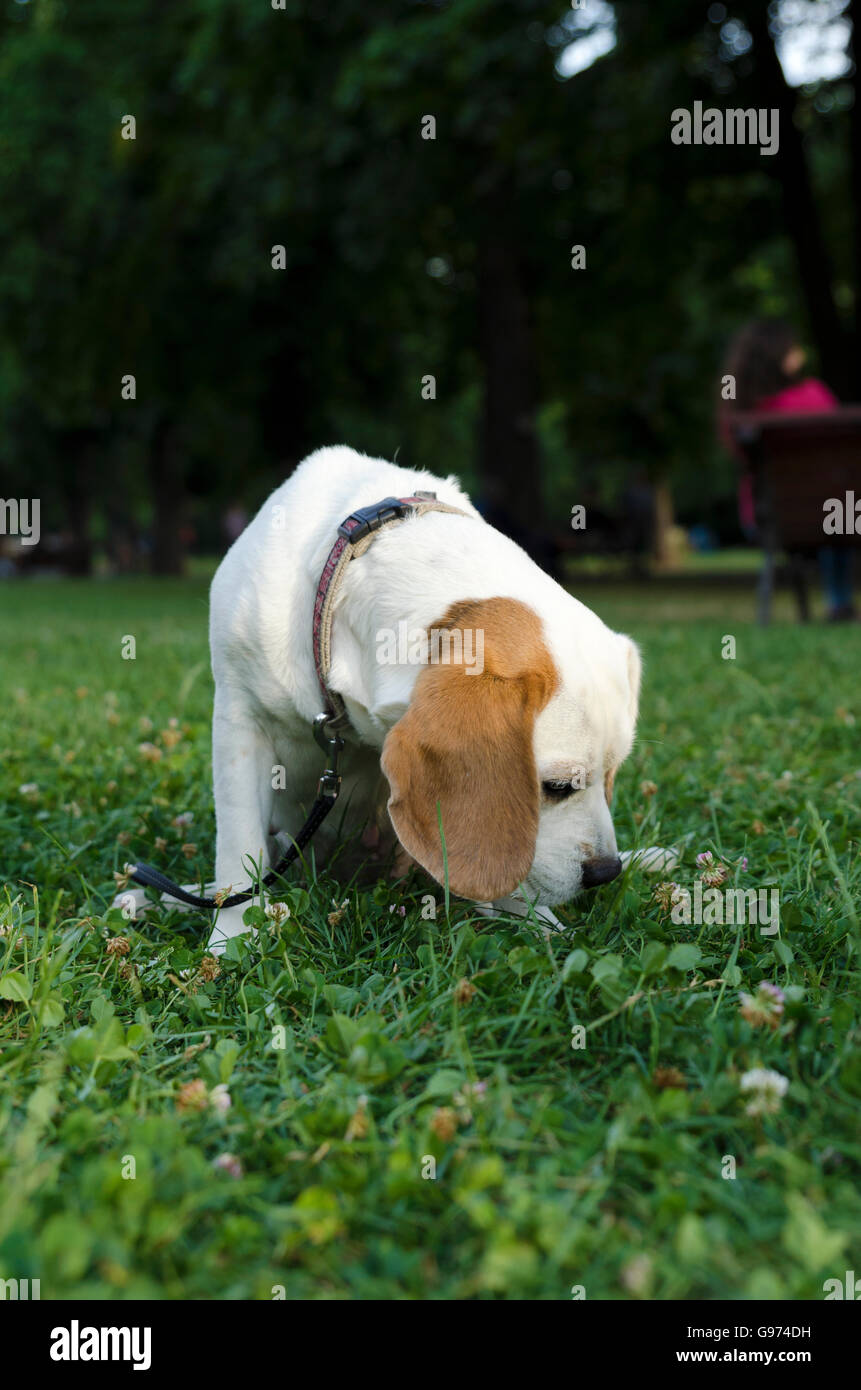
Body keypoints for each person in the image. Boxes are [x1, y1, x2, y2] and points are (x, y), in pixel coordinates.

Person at [720, 317, 855, 621]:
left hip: (771, 517)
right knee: (841, 513)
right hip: (837, 514)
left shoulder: (742, 412)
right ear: (781, 357)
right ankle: (839, 601)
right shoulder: (813, 395)